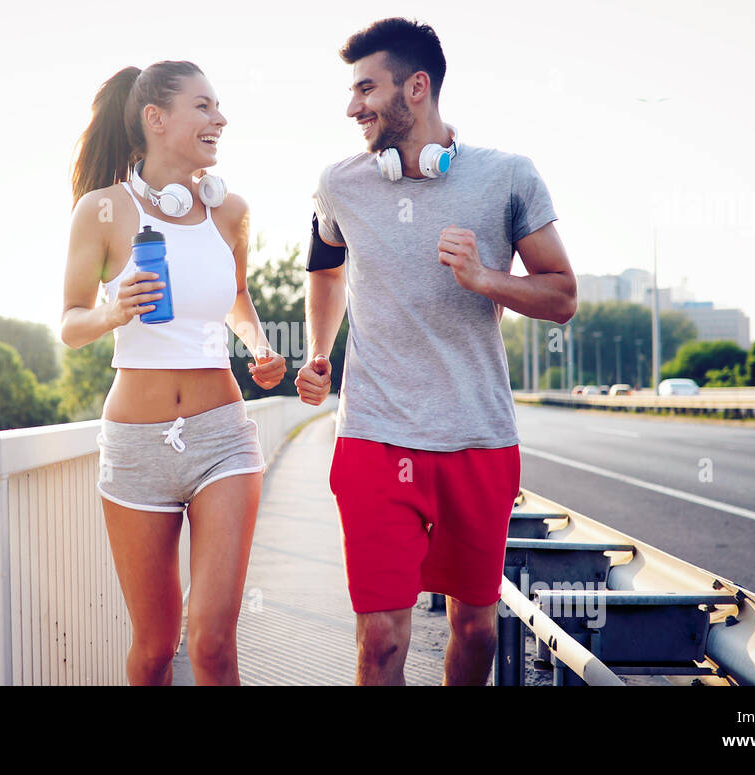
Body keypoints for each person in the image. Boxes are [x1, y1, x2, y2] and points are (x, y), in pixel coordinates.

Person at [295, 18, 577, 686]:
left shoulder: (508, 177)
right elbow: (327, 269)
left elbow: (562, 294)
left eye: (367, 88)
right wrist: (318, 350)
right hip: (374, 432)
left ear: (416, 88)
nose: (352, 106)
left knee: (475, 627)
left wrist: (486, 279)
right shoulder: (338, 183)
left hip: (476, 437)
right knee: (381, 640)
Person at [61, 61, 287, 685]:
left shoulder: (230, 212)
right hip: (136, 446)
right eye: (204, 106)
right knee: (156, 646)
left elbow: (237, 298)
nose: (220, 119)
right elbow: (70, 322)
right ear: (156, 119)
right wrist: (112, 312)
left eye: (219, 108)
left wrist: (260, 347)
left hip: (223, 436)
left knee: (212, 641)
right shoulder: (102, 210)